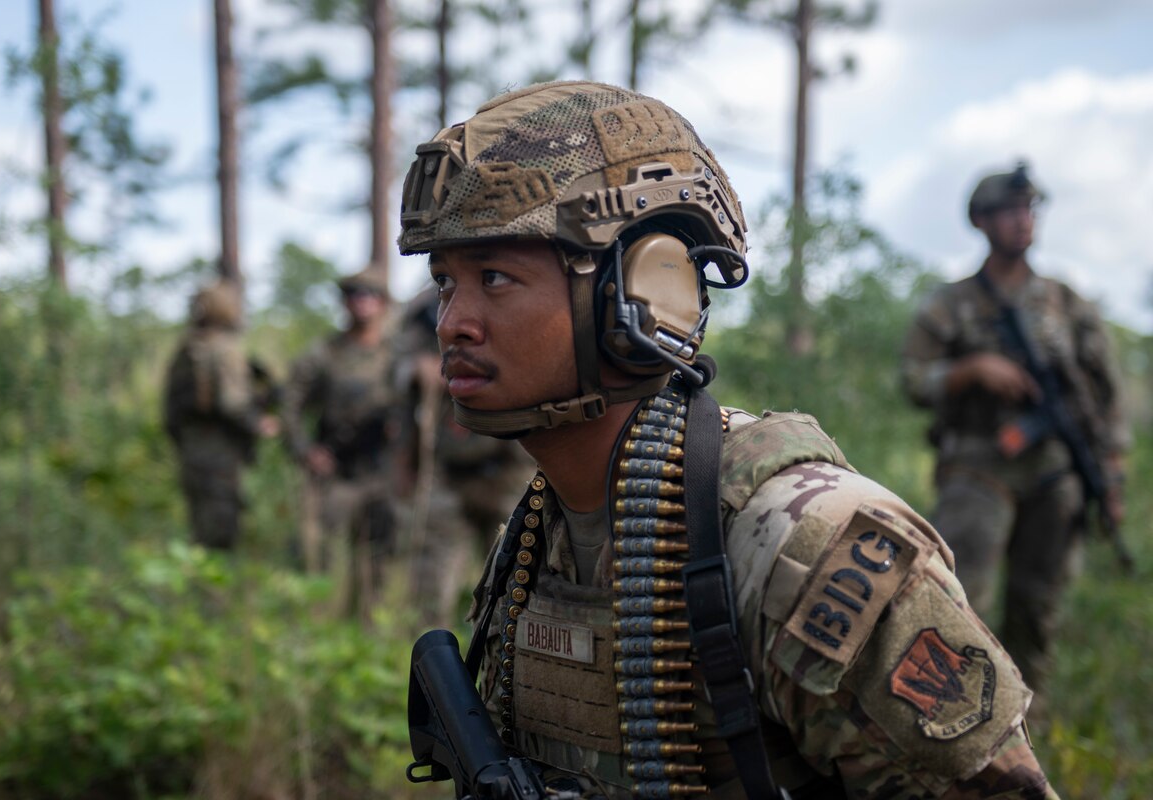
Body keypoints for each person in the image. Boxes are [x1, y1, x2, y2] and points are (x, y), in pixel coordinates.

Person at [398, 81, 1056, 798]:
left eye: (494, 278)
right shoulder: (538, 534)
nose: (452, 321)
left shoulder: (801, 546)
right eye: (445, 282)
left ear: (647, 292)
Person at [901, 162, 1128, 701]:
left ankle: (1027, 720)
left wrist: (1113, 473)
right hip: (978, 464)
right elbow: (911, 378)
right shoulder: (951, 303)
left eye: (1029, 209)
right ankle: (950, 714)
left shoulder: (1066, 303)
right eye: (1009, 211)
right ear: (980, 221)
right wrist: (970, 370)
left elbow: (1104, 394)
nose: (1022, 221)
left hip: (1054, 471)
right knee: (957, 599)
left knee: (1037, 607)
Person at [394, 286, 535, 627]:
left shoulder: (518, 285)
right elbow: (394, 371)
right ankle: (427, 657)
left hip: (510, 470)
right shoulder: (425, 308)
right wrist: (415, 371)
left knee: (517, 581)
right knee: (430, 582)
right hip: (451, 469)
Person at [281, 270, 397, 616]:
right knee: (323, 558)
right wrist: (305, 451)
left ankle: (367, 632)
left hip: (383, 472)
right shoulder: (324, 353)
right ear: (345, 303)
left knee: (378, 559)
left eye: (370, 295)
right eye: (354, 295)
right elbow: (290, 403)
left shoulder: (397, 356)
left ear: (383, 304)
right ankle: (320, 628)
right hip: (336, 472)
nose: (361, 302)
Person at [164, 281, 265, 551]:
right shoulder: (225, 348)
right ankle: (216, 592)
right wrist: (259, 425)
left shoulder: (187, 348)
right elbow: (233, 405)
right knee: (220, 535)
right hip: (220, 455)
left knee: (200, 530)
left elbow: (169, 413)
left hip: (192, 451)